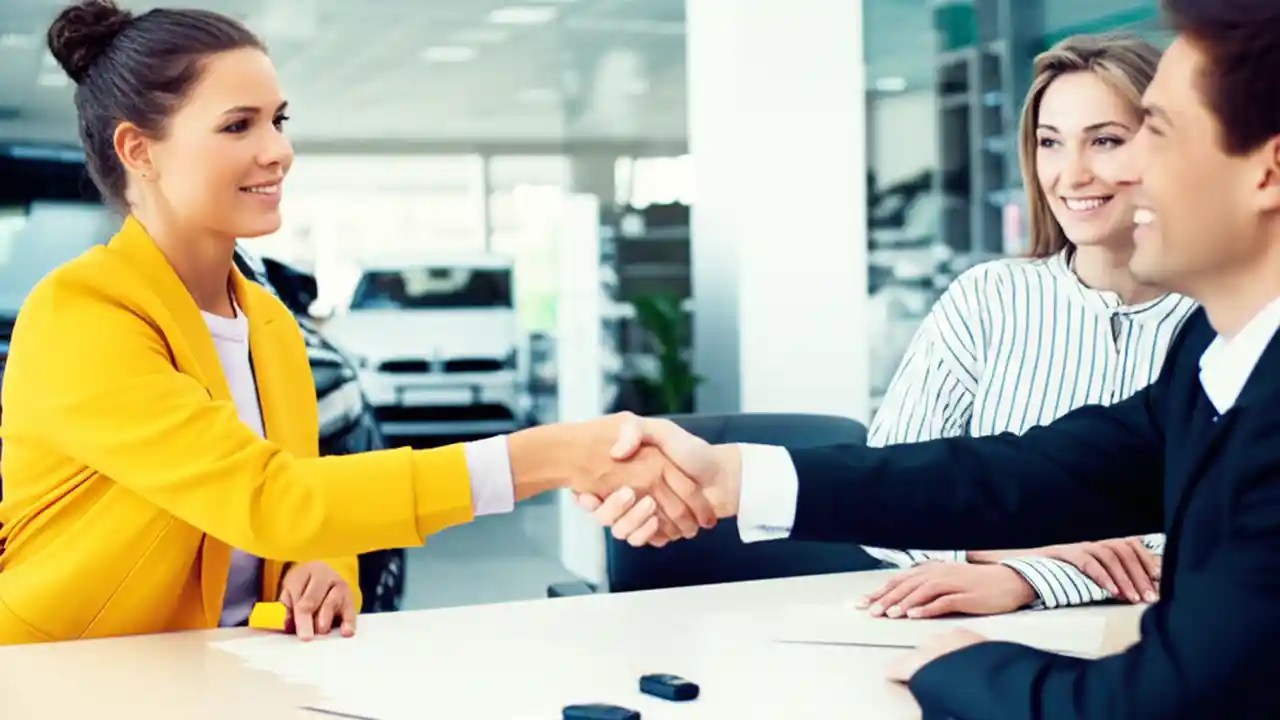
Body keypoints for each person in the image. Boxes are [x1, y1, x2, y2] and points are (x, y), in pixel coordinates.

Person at [591, 0, 1280, 716]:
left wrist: (961, 668)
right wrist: (735, 477)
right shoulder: (1216, 356)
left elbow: (1171, 701)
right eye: (1053, 141)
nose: (1099, 172)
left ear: (1267, 172)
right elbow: (1021, 472)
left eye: (1149, 134)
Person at [0, 0, 713, 645]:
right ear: (138, 150)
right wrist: (549, 457)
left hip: (224, 667)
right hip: (68, 673)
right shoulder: (83, 316)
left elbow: (309, 495)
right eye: (237, 125)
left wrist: (326, 562)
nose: (277, 150)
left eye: (277, 120)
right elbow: (270, 501)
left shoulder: (270, 326)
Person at [857, 34, 1197, 619]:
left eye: (1107, 141)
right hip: (986, 642)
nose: (1071, 175)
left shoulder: (1228, 318)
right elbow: (887, 496)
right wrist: (1020, 560)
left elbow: (1235, 530)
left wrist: (1034, 577)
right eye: (1050, 143)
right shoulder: (988, 298)